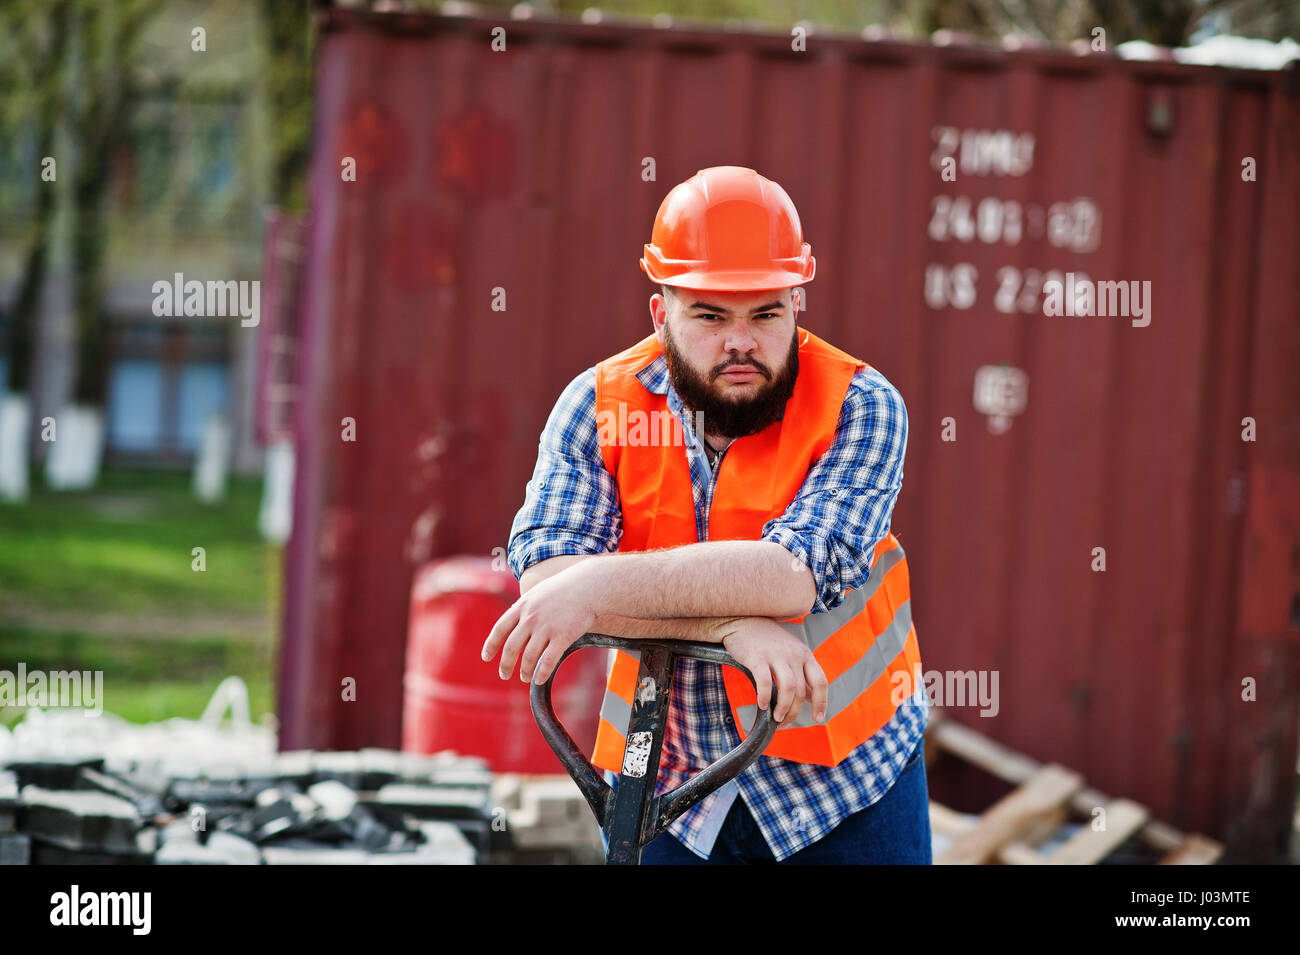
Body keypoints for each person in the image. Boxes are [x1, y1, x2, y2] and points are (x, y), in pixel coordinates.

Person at [482, 166, 931, 864]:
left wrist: (595, 588)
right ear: (662, 315)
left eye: (765, 313)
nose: (742, 343)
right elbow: (548, 585)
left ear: (797, 302)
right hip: (665, 781)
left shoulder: (862, 407)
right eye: (711, 315)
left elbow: (792, 576)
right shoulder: (596, 407)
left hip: (846, 786)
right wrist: (732, 625)